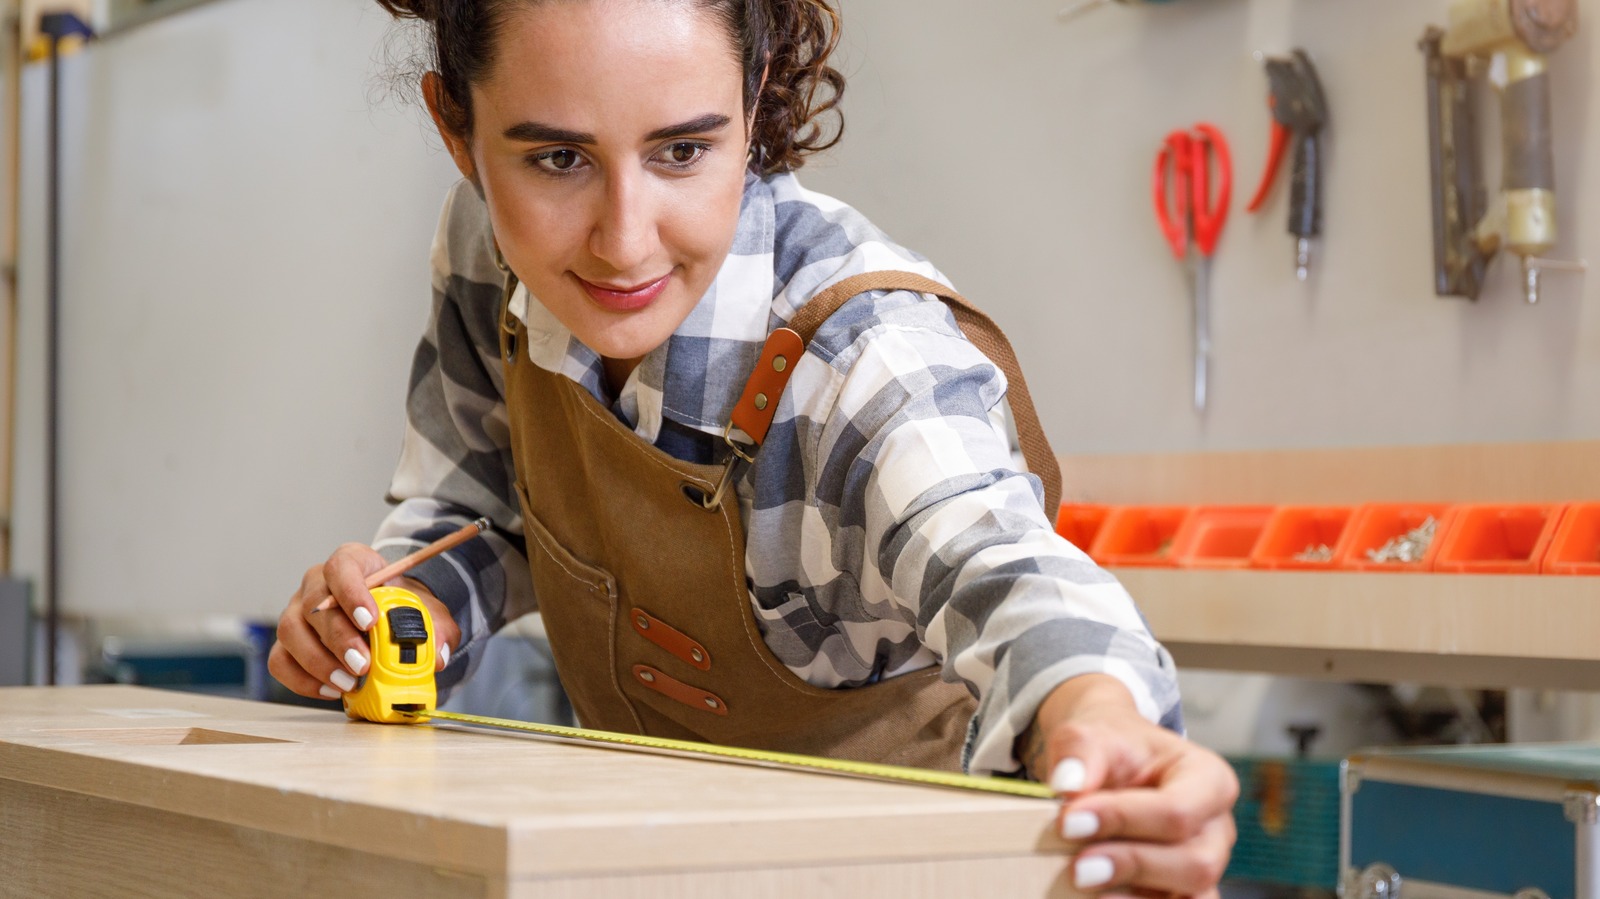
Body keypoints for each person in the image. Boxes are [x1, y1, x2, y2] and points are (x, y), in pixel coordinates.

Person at [269, 0, 1237, 891]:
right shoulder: (494, 254)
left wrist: (1097, 717)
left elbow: (1009, 573)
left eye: (683, 150)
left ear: (753, 89)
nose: (624, 241)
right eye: (558, 160)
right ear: (458, 130)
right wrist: (395, 610)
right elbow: (482, 509)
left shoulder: (862, 360)